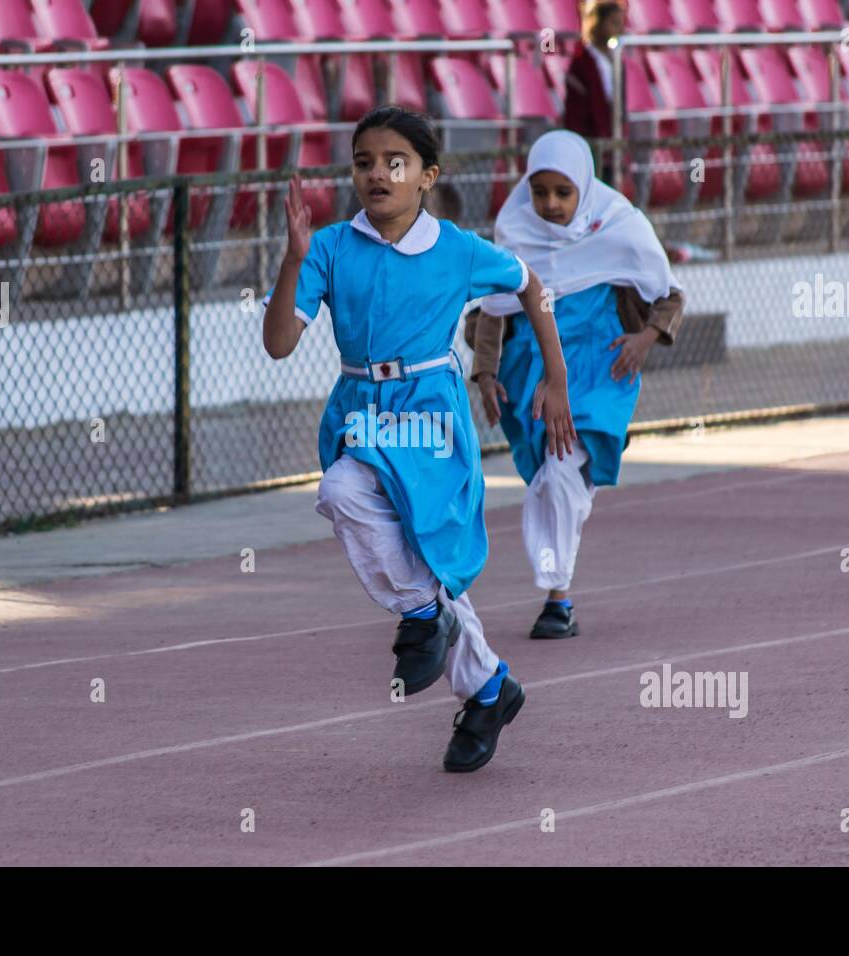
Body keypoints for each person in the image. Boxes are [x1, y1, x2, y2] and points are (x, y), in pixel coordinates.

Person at [262, 106, 577, 772]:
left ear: (427, 174)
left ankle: (443, 638)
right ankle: (483, 680)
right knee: (348, 493)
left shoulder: (458, 249)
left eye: (394, 161)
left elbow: (531, 287)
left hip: (430, 411)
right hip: (360, 408)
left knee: (401, 528)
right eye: (364, 161)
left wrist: (556, 375)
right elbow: (279, 344)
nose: (377, 173)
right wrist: (291, 263)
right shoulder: (326, 248)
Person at [470, 130, 685, 639]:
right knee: (551, 474)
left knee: (563, 471)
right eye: (539, 191)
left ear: (584, 188)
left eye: (562, 193)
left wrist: (646, 338)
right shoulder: (515, 228)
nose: (549, 204)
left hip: (599, 367)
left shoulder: (619, 224)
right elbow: (490, 310)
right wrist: (484, 373)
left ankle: (556, 597)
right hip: (529, 368)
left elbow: (669, 296)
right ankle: (559, 578)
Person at [563, 1, 628, 141]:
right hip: (590, 139)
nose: (619, 29)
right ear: (597, 23)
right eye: (614, 23)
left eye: (620, 23)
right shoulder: (581, 63)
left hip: (611, 138)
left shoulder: (616, 60)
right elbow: (576, 113)